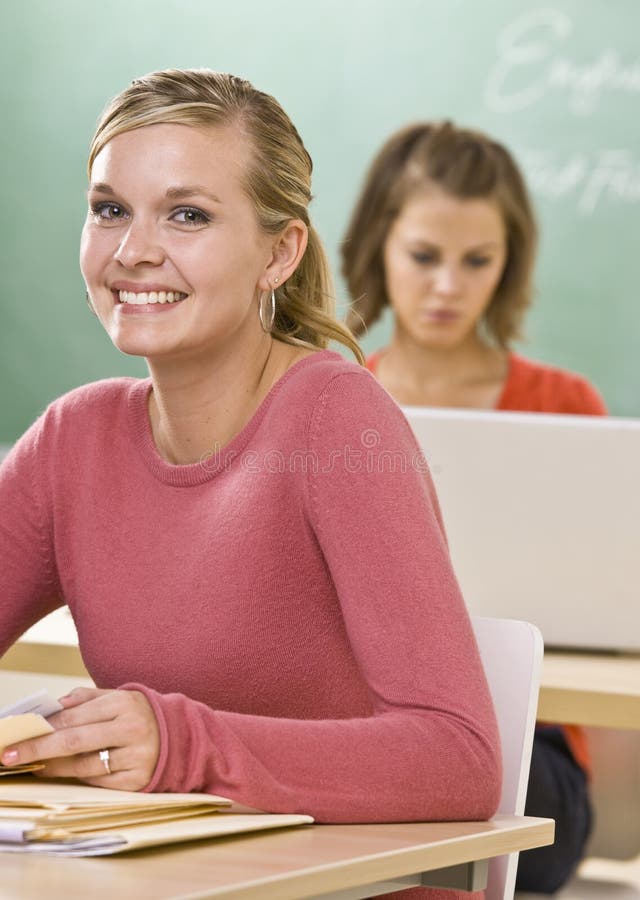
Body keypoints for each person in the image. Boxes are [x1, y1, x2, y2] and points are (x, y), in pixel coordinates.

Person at [0, 71, 500, 900]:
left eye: (187, 214)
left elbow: (460, 756)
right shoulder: (73, 440)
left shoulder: (337, 418)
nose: (133, 250)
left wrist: (178, 745)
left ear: (280, 252)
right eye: (109, 208)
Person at [341, 120, 603, 893]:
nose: (448, 287)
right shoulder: (323, 404)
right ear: (380, 248)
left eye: (476, 261)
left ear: (508, 265)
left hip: (529, 758)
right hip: (356, 737)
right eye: (424, 257)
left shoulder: (562, 409)